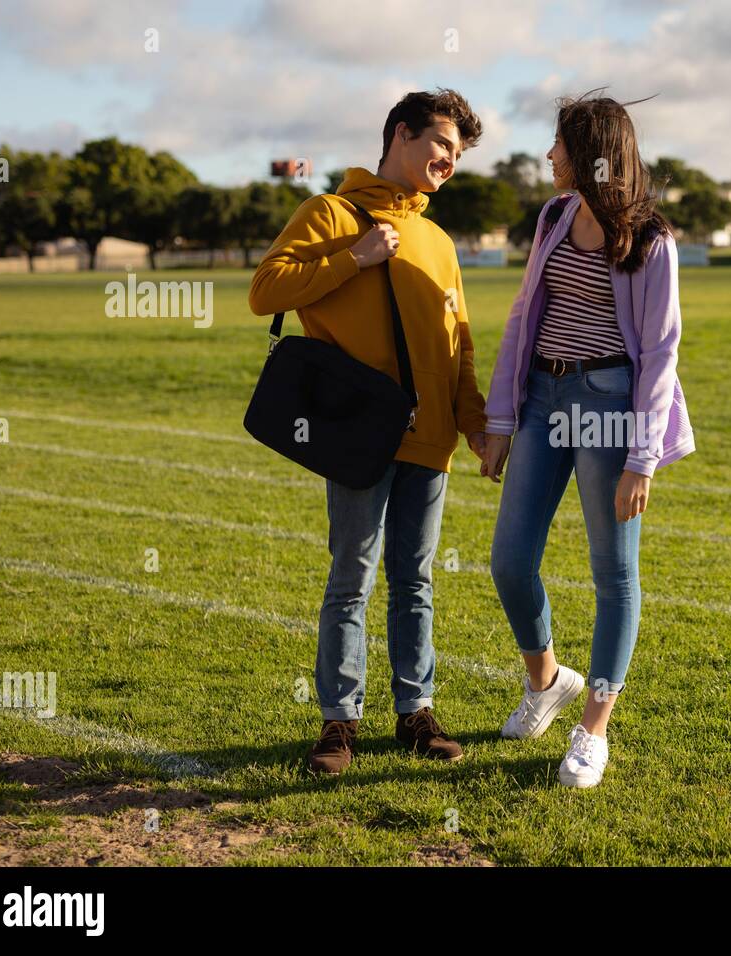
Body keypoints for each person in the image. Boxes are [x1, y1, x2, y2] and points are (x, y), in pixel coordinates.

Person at [248, 88, 487, 775]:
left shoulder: (439, 241)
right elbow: (266, 290)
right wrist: (353, 257)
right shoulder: (331, 212)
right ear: (401, 134)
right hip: (358, 432)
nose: (449, 160)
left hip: (432, 436)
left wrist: (473, 424)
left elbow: (458, 342)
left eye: (458, 153)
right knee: (351, 576)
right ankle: (338, 725)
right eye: (441, 143)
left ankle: (416, 713)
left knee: (415, 581)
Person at [481, 90, 695, 788]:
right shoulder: (552, 216)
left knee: (614, 576)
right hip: (544, 398)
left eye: (560, 145)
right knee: (510, 559)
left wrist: (644, 459)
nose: (549, 156)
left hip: (610, 408)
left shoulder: (653, 240)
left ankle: (592, 728)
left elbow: (660, 353)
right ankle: (546, 680)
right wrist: (500, 419)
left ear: (592, 154)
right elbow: (524, 316)